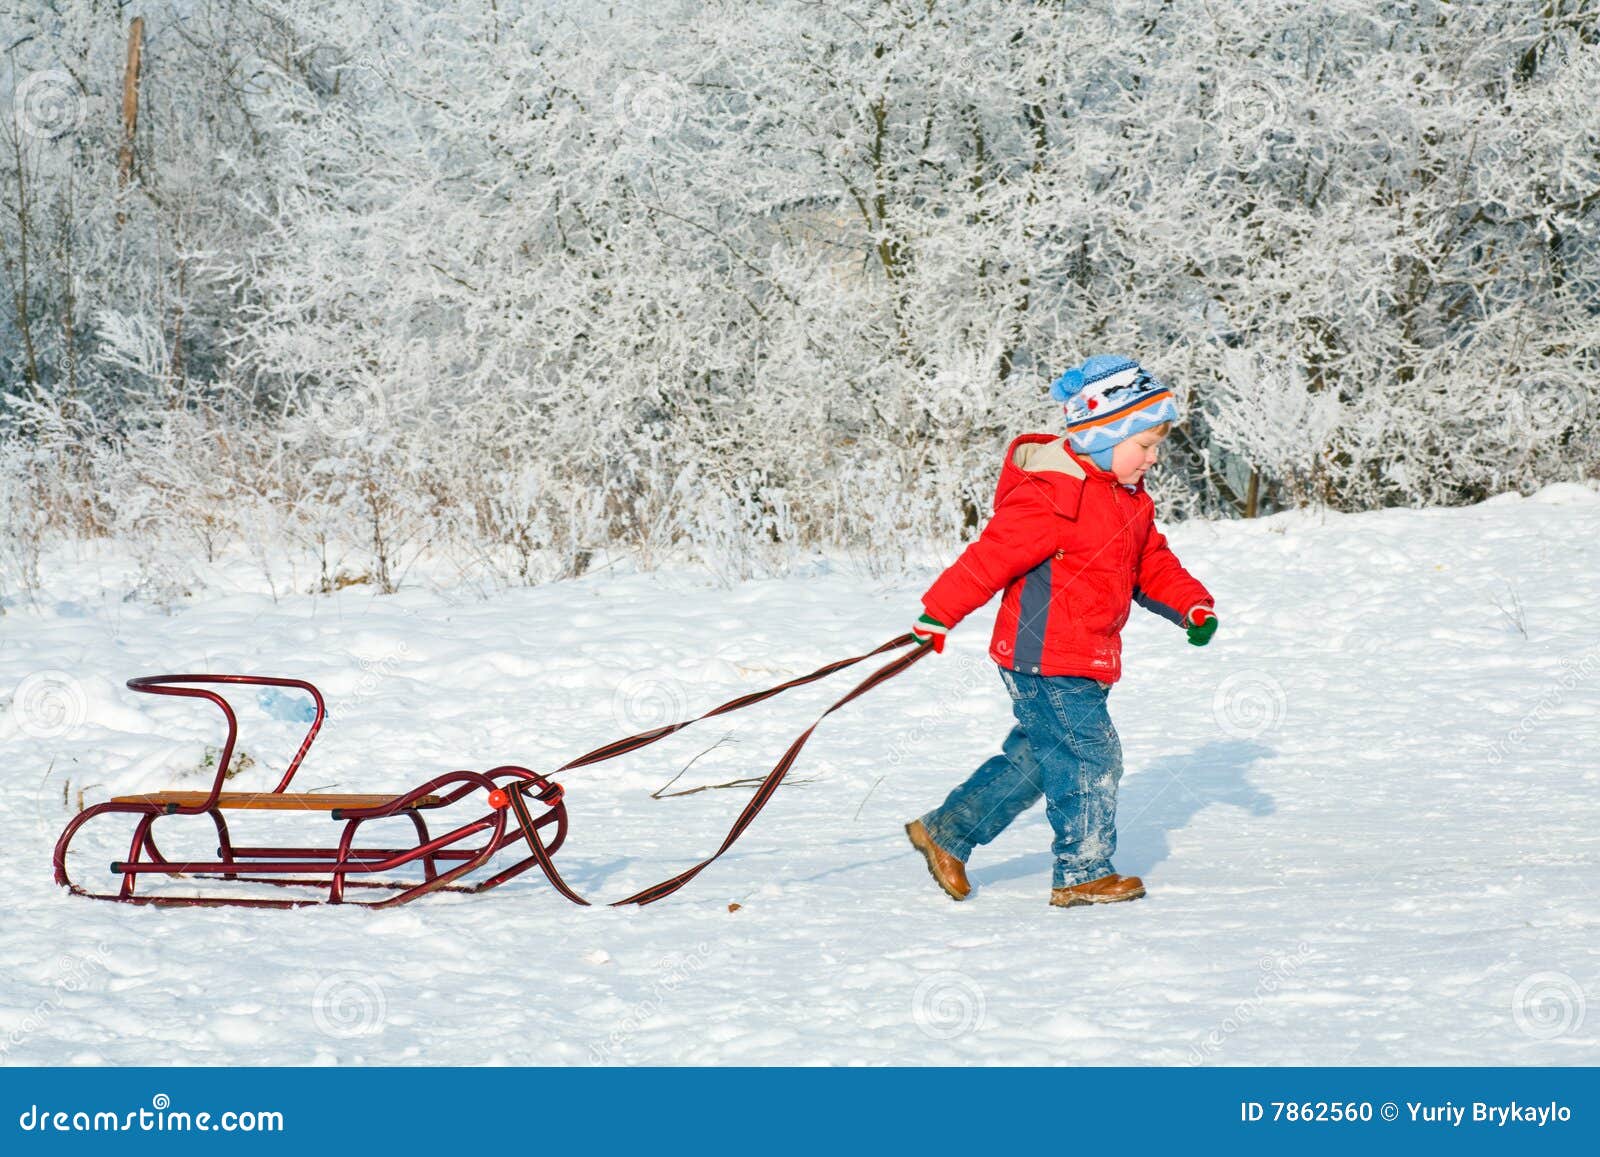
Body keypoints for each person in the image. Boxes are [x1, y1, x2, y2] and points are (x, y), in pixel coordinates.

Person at [904, 354, 1218, 909]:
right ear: (1102, 437)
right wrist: (938, 613)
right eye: (1144, 445)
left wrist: (1190, 604)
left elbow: (1151, 562)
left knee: (1039, 759)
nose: (1153, 457)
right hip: (1044, 655)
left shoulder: (1128, 501)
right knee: (1092, 758)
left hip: (1086, 653)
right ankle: (1082, 870)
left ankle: (947, 830)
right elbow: (990, 558)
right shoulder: (1054, 495)